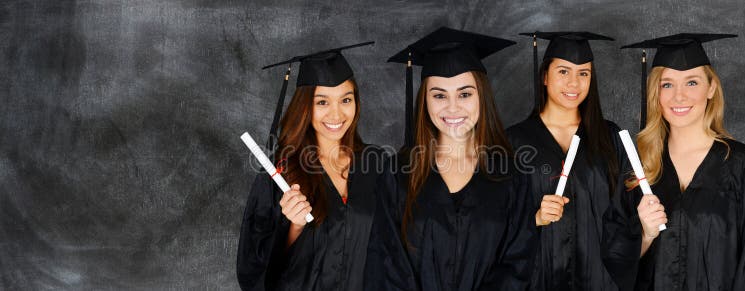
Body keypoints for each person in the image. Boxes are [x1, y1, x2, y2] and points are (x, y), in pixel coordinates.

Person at [622, 33, 745, 291]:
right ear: (656, 92)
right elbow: (608, 265)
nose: (679, 96)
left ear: (711, 88)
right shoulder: (638, 166)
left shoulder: (742, 163)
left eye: (691, 82)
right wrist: (645, 234)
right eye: (667, 84)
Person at [378, 27, 537, 290]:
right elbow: (386, 262)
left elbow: (518, 262)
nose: (452, 107)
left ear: (481, 96)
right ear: (425, 100)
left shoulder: (511, 175)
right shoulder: (398, 173)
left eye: (465, 94)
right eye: (439, 95)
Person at [236, 41, 389, 291]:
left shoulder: (378, 163)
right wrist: (294, 227)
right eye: (322, 102)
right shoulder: (281, 171)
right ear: (305, 106)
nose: (337, 114)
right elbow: (254, 265)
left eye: (346, 100)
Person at [506, 31, 635, 291]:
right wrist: (535, 219)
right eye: (563, 71)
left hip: (600, 280)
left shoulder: (610, 137)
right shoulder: (513, 142)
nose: (574, 83)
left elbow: (625, 214)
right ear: (545, 76)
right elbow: (494, 221)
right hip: (535, 280)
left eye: (583, 73)